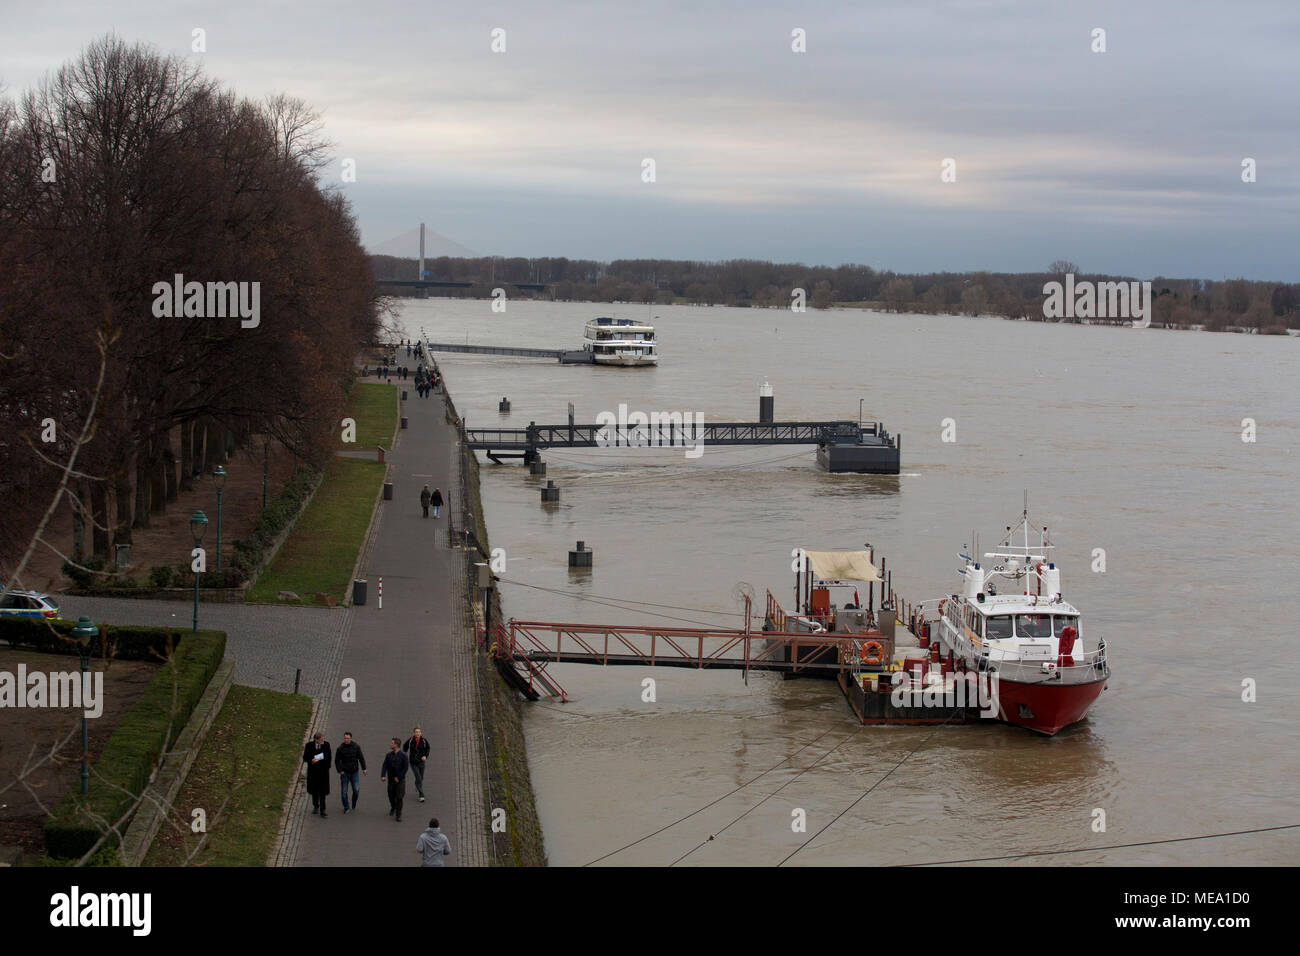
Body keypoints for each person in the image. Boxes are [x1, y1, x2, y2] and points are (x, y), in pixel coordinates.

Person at [335, 731, 367, 813]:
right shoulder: (340, 748)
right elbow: (337, 761)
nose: (346, 740)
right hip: (344, 773)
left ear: (351, 738)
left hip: (354, 772)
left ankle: (354, 802)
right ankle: (346, 807)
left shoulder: (356, 747)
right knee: (344, 792)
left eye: (348, 738)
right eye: (345, 738)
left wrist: (364, 768)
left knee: (356, 790)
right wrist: (340, 770)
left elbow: (361, 758)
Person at [302, 732, 332, 817]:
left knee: (322, 792)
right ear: (316, 740)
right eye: (321, 739)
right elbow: (305, 757)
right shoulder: (309, 745)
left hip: (323, 773)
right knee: (314, 791)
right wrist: (311, 760)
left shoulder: (326, 745)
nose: (323, 741)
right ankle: (316, 805)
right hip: (313, 773)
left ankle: (323, 810)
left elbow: (328, 755)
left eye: (323, 739)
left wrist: (321, 760)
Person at [380, 737, 409, 822]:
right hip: (391, 779)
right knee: (391, 795)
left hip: (400, 780)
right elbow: (385, 765)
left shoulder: (403, 756)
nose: (390, 744)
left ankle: (398, 814)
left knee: (399, 797)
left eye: (392, 743)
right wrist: (383, 775)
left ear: (396, 745)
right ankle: (393, 807)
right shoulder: (389, 755)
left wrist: (399, 777)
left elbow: (405, 768)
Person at [404, 727, 431, 802]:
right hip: (413, 762)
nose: (417, 733)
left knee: (421, 777)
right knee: (418, 777)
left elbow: (428, 748)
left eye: (419, 732)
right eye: (416, 732)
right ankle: (421, 795)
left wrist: (425, 756)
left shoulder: (424, 741)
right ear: (414, 733)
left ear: (421, 733)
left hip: (421, 762)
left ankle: (417, 784)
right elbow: (405, 747)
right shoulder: (410, 741)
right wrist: (404, 755)